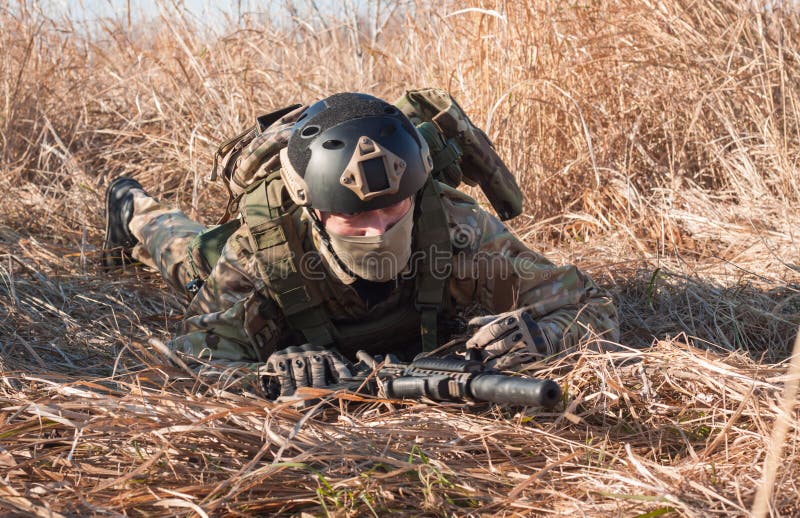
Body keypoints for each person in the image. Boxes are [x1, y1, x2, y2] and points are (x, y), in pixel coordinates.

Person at [103, 91, 619, 399]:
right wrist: (268, 379)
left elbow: (588, 304)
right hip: (230, 260)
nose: (377, 230)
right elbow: (187, 366)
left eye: (393, 209)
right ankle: (131, 206)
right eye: (354, 216)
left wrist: (542, 336)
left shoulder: (458, 228)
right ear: (313, 209)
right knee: (183, 251)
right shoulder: (261, 255)